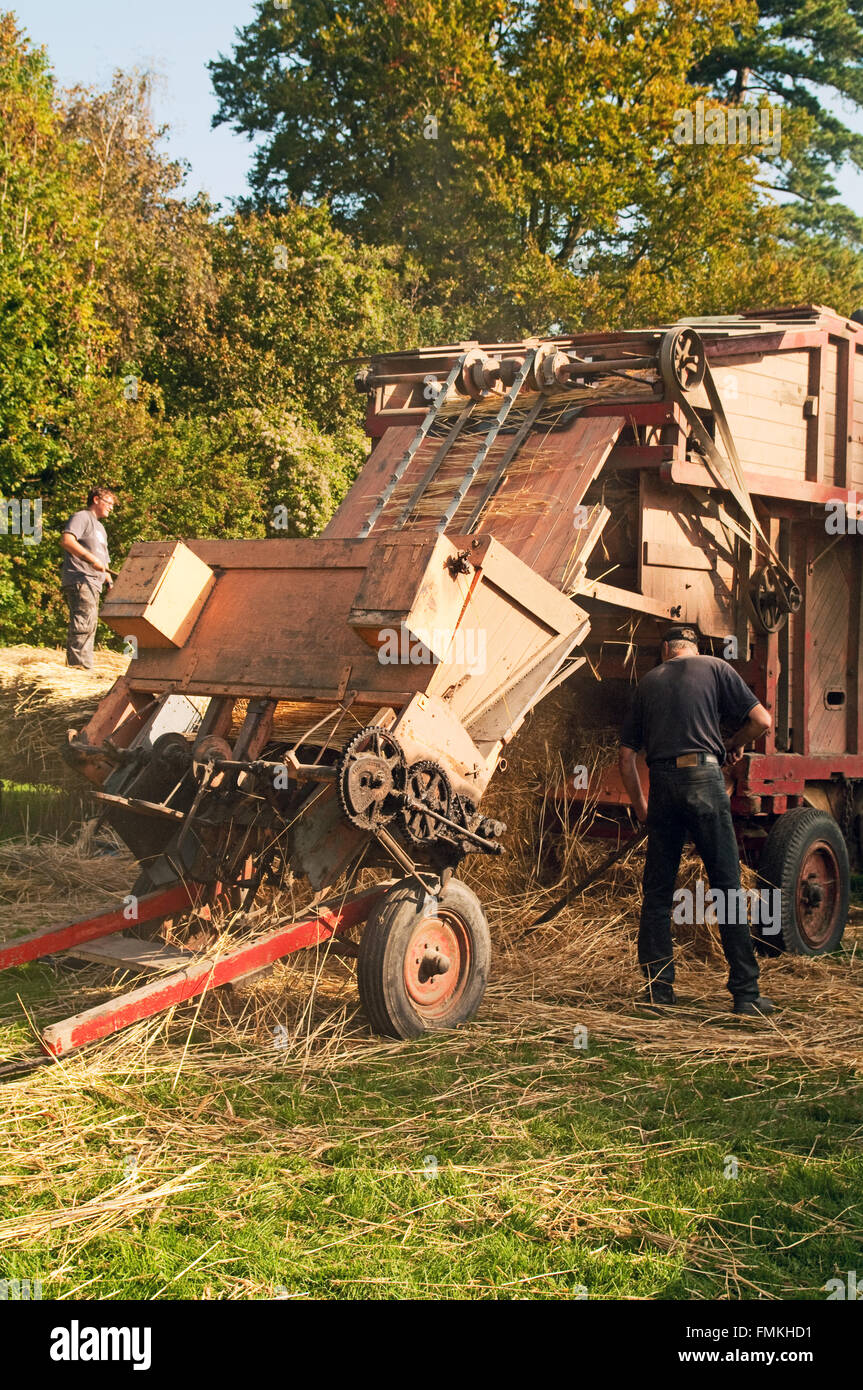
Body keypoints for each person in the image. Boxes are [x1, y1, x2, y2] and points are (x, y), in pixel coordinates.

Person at [618, 624, 774, 1016]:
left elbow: (625, 758)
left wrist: (642, 810)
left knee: (657, 893)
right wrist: (732, 746)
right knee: (727, 888)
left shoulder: (648, 682)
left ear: (667, 650)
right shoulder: (716, 667)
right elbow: (763, 721)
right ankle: (746, 995)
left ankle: (659, 991)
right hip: (704, 779)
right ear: (692, 648)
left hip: (664, 785)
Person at [60, 487, 116, 671]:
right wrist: (91, 560)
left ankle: (83, 666)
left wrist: (109, 582)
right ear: (96, 499)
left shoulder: (101, 528)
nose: (111, 508)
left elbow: (104, 562)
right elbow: (67, 541)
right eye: (109, 503)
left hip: (94, 582)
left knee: (90, 623)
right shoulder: (82, 517)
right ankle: (78, 669)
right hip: (81, 577)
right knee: (83, 623)